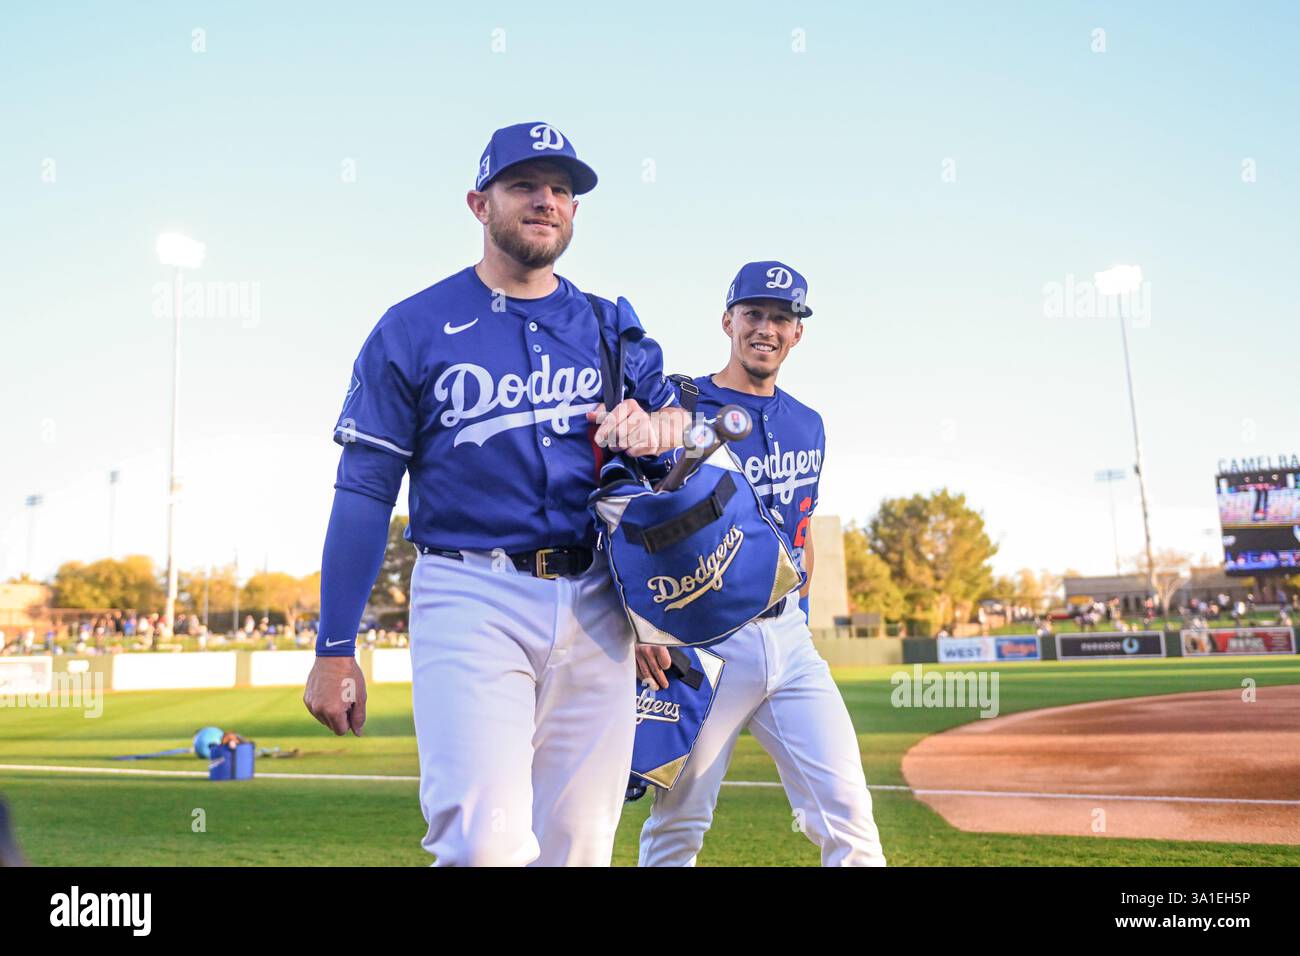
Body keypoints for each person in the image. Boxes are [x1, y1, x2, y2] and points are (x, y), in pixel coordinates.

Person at [302, 121, 689, 867]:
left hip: (600, 602)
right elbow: (364, 489)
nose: (546, 200)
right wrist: (335, 648)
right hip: (471, 591)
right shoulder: (411, 328)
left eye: (562, 190)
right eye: (524, 186)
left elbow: (686, 440)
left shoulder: (611, 328)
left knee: (579, 845)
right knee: (483, 842)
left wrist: (661, 425)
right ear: (480, 205)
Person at [634, 260, 886, 867]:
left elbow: (803, 531)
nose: (766, 328)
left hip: (789, 639)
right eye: (754, 314)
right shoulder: (680, 404)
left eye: (782, 317)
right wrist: (642, 628)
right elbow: (631, 522)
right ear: (728, 320)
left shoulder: (809, 423)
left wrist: (797, 608)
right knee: (678, 826)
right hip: (705, 641)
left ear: (798, 333)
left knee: (848, 812)